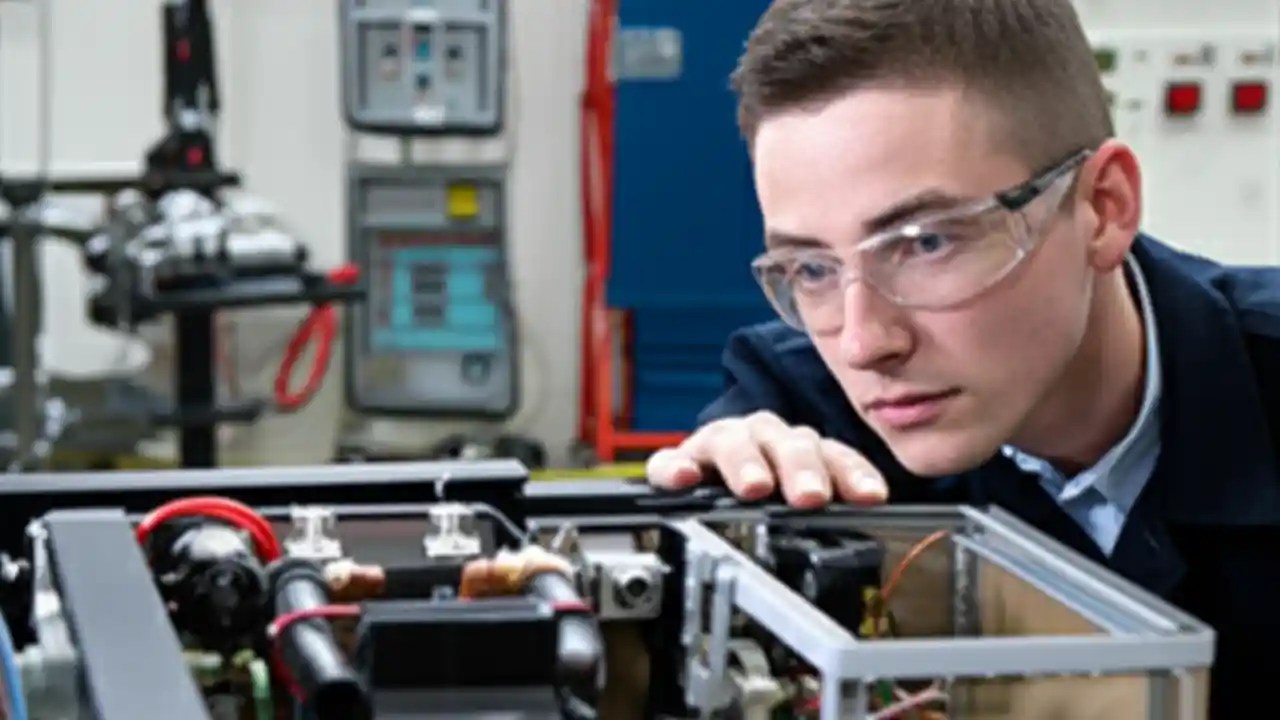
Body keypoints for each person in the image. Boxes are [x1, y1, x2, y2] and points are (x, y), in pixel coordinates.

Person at [644, 0, 1280, 716]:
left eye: (926, 243)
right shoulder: (801, 416)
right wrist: (719, 508)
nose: (862, 343)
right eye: (811, 269)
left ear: (1103, 206)